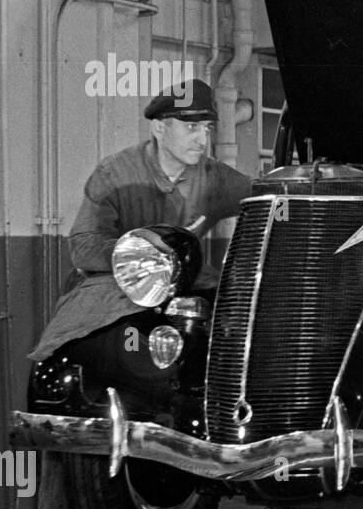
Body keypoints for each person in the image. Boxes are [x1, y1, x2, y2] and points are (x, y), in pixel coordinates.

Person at [30, 79, 252, 373]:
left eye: (206, 129)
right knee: (96, 350)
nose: (202, 139)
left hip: (186, 284)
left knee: (243, 329)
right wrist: (143, 257)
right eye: (190, 127)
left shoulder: (213, 176)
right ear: (159, 128)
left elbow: (265, 198)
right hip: (119, 286)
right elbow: (83, 246)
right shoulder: (116, 174)